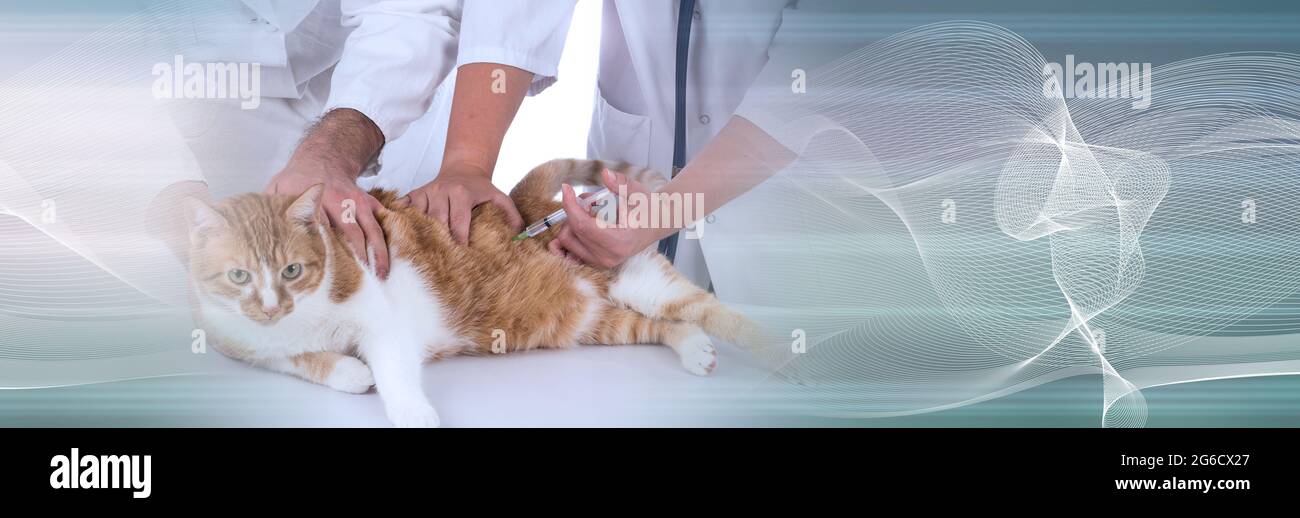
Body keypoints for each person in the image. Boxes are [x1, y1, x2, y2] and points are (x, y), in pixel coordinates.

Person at [402, 0, 798, 288]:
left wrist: (667, 212)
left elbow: (810, 83)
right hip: (633, 168)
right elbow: (514, 12)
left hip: (795, 208)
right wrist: (467, 162)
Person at [152, 0, 464, 280]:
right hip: (184, 101)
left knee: (414, 291)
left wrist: (332, 153)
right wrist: (174, 201)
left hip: (371, 79)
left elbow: (408, 11)